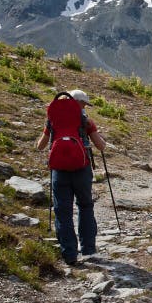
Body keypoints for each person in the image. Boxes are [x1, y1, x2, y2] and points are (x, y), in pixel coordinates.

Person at [36, 89, 106, 265]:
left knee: (63, 211)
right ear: (78, 103)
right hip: (82, 169)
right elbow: (101, 145)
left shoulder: (53, 119)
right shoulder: (85, 120)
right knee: (85, 206)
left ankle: (69, 254)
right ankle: (88, 249)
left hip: (59, 171)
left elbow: (40, 146)